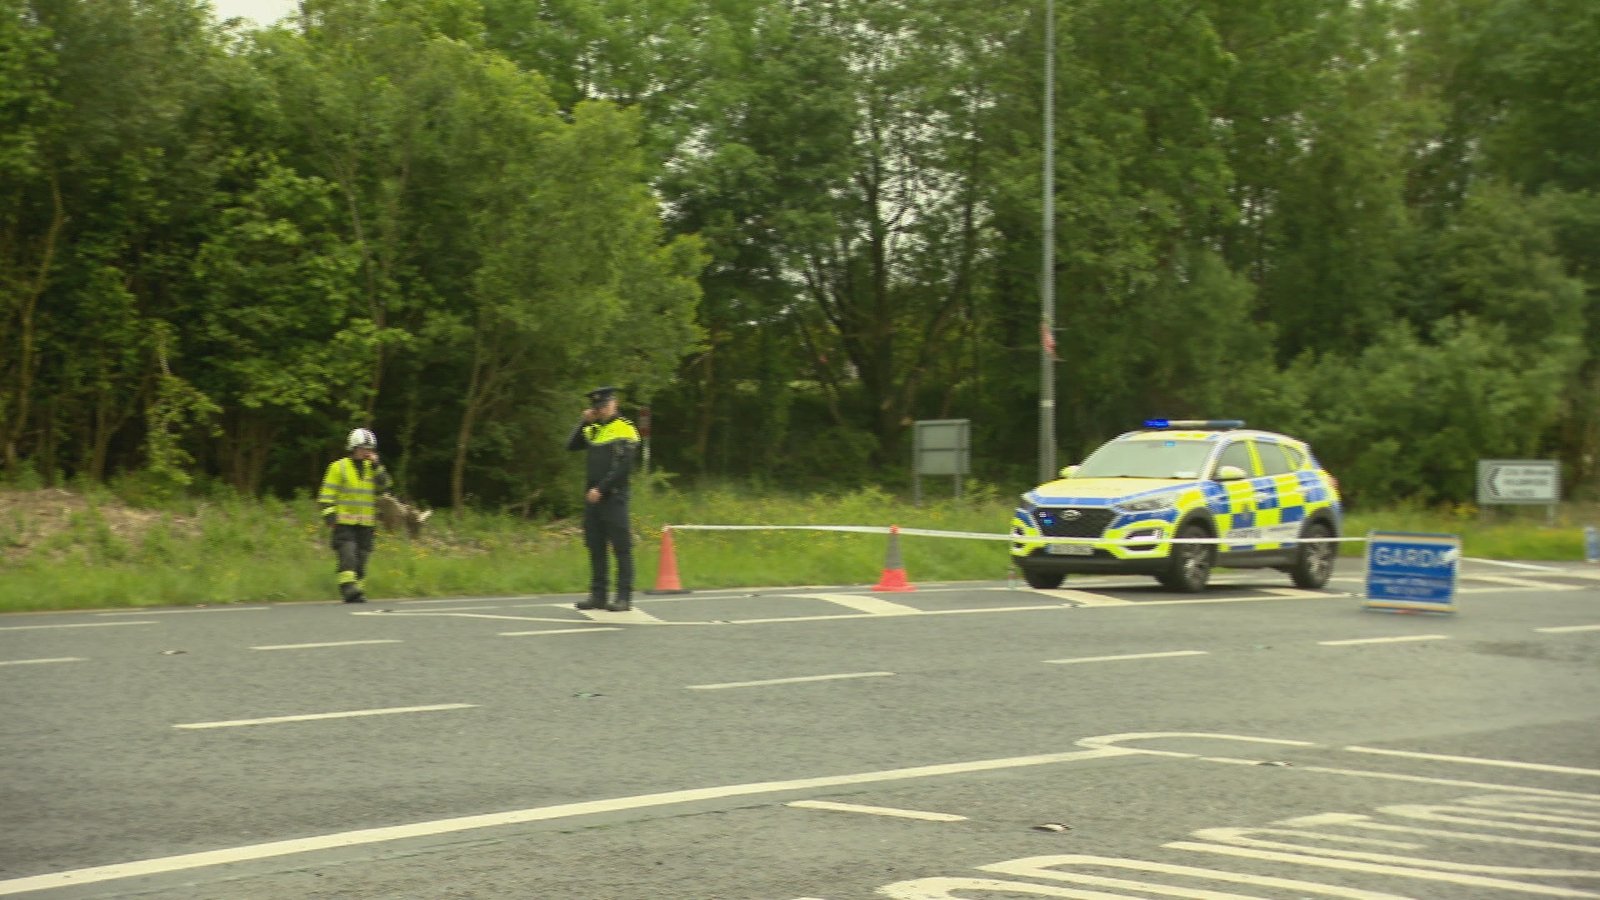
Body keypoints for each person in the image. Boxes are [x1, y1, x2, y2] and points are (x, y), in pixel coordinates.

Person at [566, 386, 640, 611]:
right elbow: (571, 446)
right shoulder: (594, 428)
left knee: (621, 548)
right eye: (597, 407)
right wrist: (584, 423)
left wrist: (602, 488)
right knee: (596, 547)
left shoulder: (626, 428)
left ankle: (623, 597)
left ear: (614, 404)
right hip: (592, 498)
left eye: (604, 406)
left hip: (614, 497)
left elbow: (624, 467)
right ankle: (598, 596)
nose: (601, 410)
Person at [319, 428, 392, 603]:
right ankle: (348, 588)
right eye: (363, 448)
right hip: (344, 522)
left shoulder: (373, 469)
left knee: (362, 558)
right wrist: (330, 516)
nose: (367, 452)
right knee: (348, 555)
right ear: (353, 447)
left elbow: (386, 486)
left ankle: (357, 590)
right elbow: (326, 495)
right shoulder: (338, 467)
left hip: (366, 524)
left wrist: (377, 466)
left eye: (370, 448)